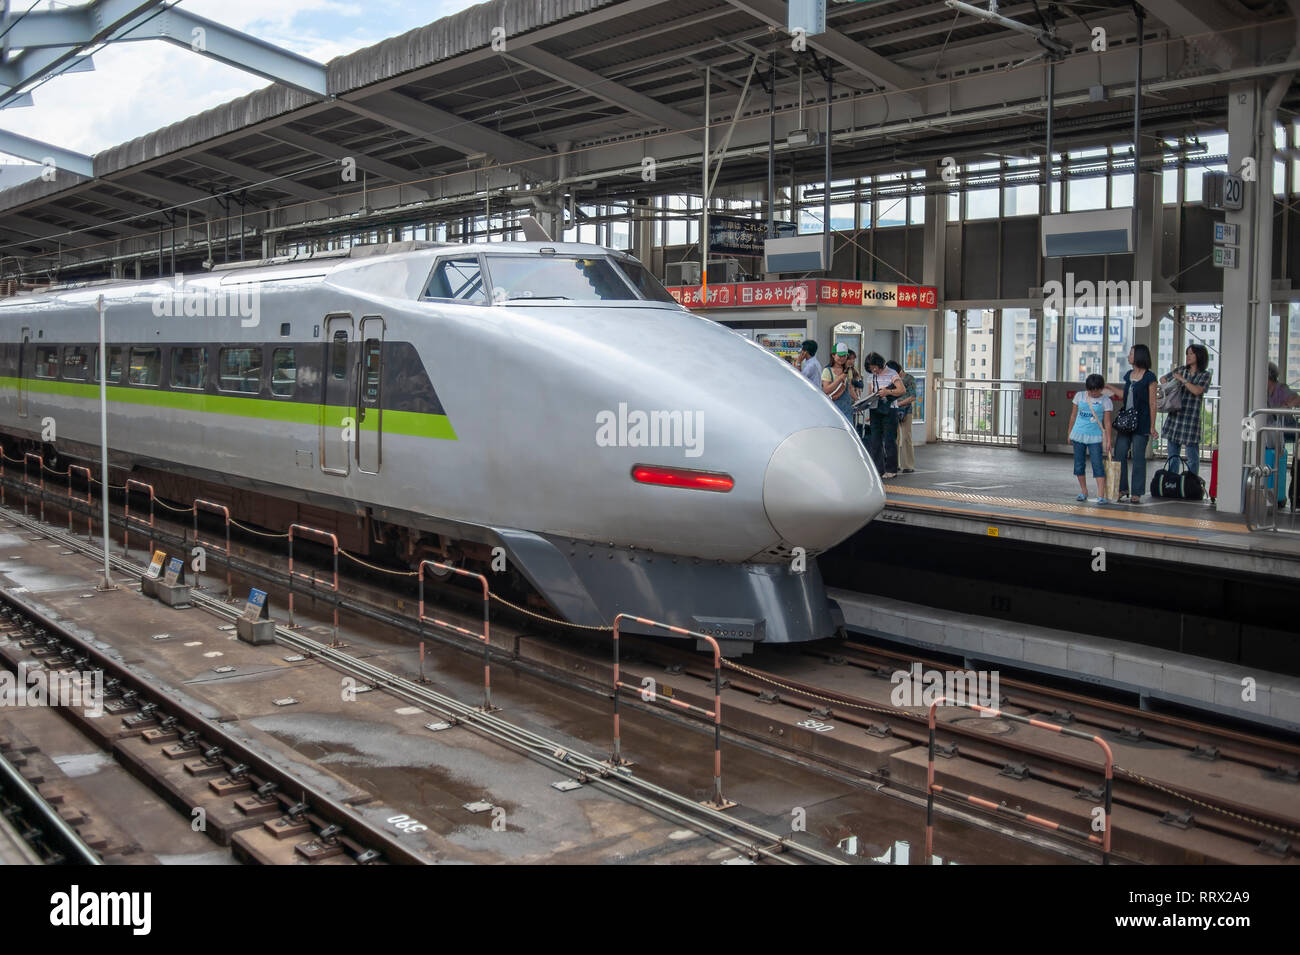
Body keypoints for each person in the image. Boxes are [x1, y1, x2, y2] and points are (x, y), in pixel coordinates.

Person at [1105, 344, 1158, 504]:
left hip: (1142, 422)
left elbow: (1153, 403)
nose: (1128, 356)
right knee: (1119, 453)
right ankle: (1122, 489)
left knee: (1138, 457)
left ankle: (1137, 492)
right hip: (1126, 422)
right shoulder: (1128, 375)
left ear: (1139, 356)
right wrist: (1109, 387)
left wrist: (1152, 426)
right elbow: (1124, 395)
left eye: (1131, 353)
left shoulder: (1150, 377)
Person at [1160, 344, 1212, 476]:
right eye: (1187, 353)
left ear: (1199, 356)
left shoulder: (1205, 375)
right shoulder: (1181, 370)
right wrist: (1170, 385)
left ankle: (1191, 482)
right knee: (1172, 455)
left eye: (1191, 354)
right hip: (1175, 416)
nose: (1188, 357)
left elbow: (1197, 390)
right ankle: (1172, 481)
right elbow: (1163, 378)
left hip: (1191, 419)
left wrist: (1182, 380)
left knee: (1192, 456)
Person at [1068, 373, 1113, 503]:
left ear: (1101, 388)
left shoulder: (1106, 401)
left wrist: (1109, 440)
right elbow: (1073, 415)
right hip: (1078, 434)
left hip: (1096, 437)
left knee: (1097, 464)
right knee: (1079, 464)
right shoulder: (1080, 396)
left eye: (1097, 389)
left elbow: (1107, 422)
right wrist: (1069, 432)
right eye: (1091, 389)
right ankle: (1084, 491)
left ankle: (1101, 495)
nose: (1094, 392)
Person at [864, 352, 906, 478]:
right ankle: (878, 469)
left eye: (874, 367)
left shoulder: (891, 373)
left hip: (890, 409)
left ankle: (891, 469)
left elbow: (902, 390)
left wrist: (887, 391)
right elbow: (870, 392)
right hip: (875, 409)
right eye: (871, 368)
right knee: (875, 440)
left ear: (879, 364)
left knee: (889, 439)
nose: (873, 370)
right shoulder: (871, 376)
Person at [886, 359, 917, 473]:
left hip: (906, 411)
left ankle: (908, 465)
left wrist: (899, 403)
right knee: (895, 438)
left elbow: (913, 396)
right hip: (893, 410)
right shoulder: (891, 379)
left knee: (906, 437)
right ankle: (896, 463)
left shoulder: (909, 379)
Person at [821, 343, 854, 421]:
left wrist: (857, 400)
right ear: (833, 355)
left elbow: (850, 388)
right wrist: (840, 378)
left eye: (844, 356)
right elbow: (826, 390)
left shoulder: (849, 370)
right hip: (832, 409)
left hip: (847, 409)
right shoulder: (827, 370)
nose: (842, 358)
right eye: (839, 356)